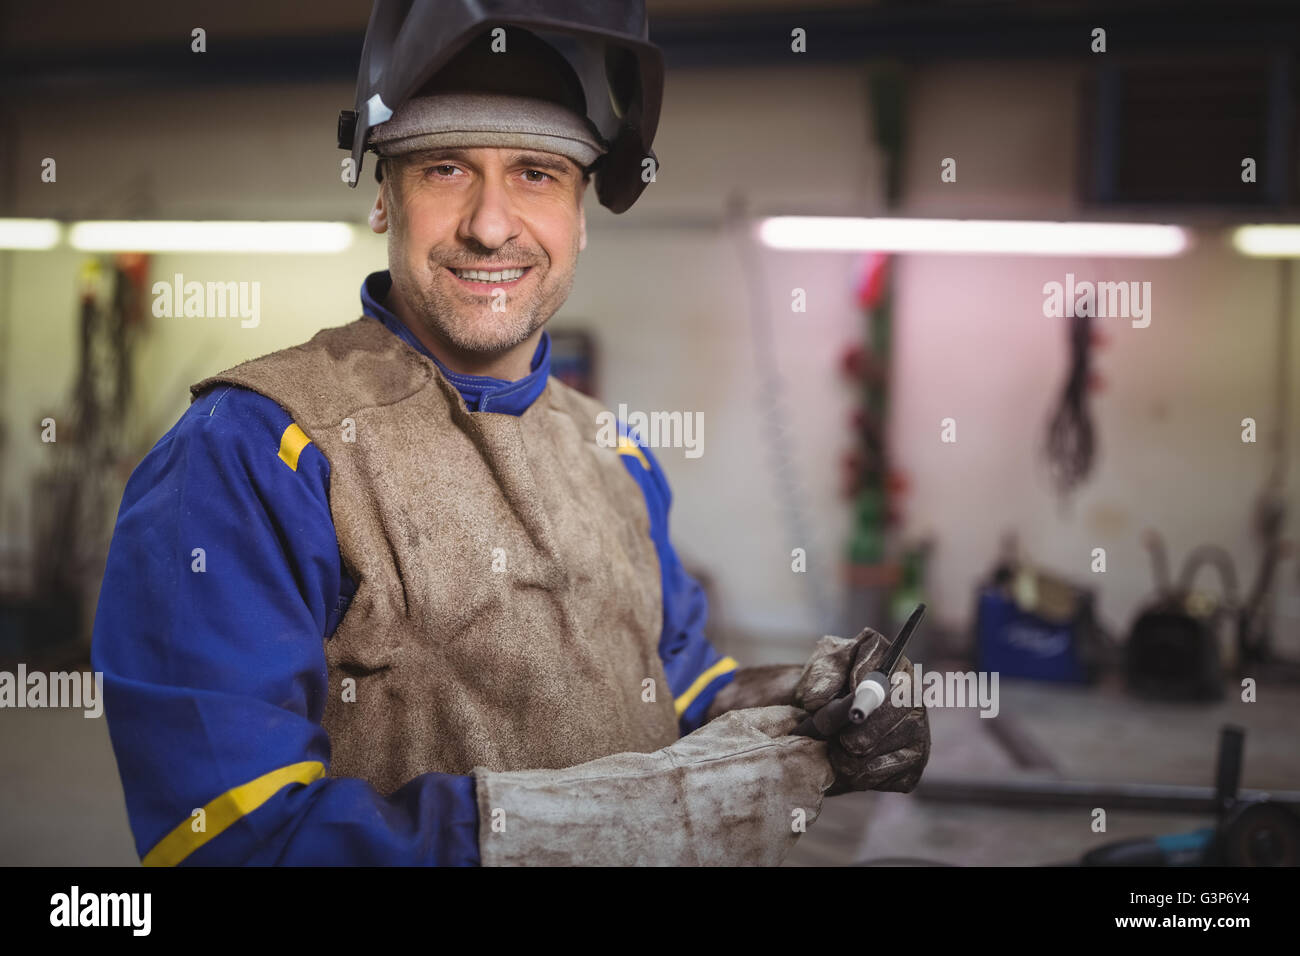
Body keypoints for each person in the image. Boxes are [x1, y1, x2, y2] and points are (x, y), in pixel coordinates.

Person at [91, 0, 929, 867]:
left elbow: (675, 686)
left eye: (537, 173)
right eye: (445, 168)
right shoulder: (255, 452)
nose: (491, 224)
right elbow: (225, 838)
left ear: (580, 215)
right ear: (385, 198)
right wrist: (578, 829)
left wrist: (804, 700)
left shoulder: (618, 456)